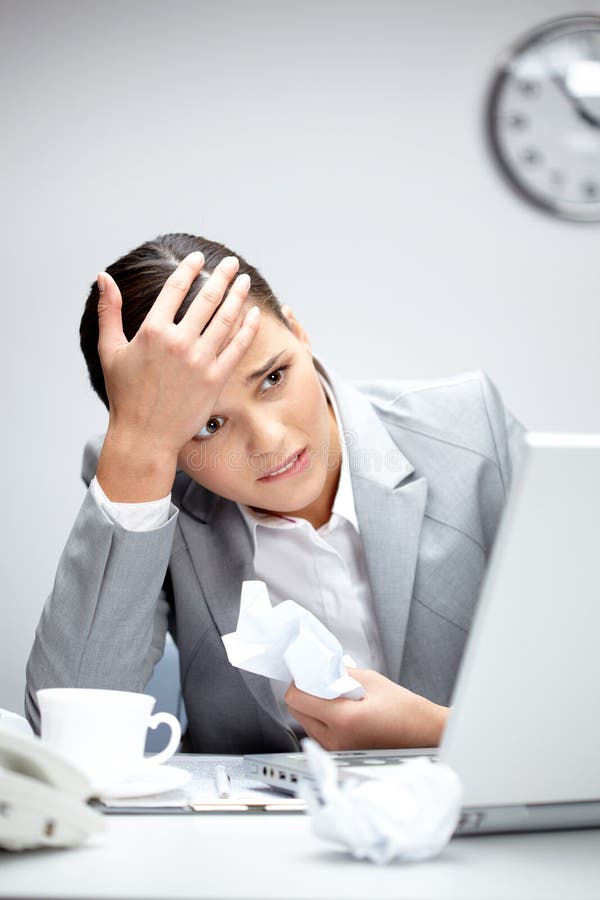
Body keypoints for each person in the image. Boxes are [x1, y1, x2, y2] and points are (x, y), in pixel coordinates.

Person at [25, 233, 524, 754]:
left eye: (273, 378)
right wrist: (138, 451)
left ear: (300, 333)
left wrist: (438, 732)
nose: (269, 441)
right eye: (208, 424)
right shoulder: (151, 479)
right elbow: (65, 742)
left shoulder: (470, 433)